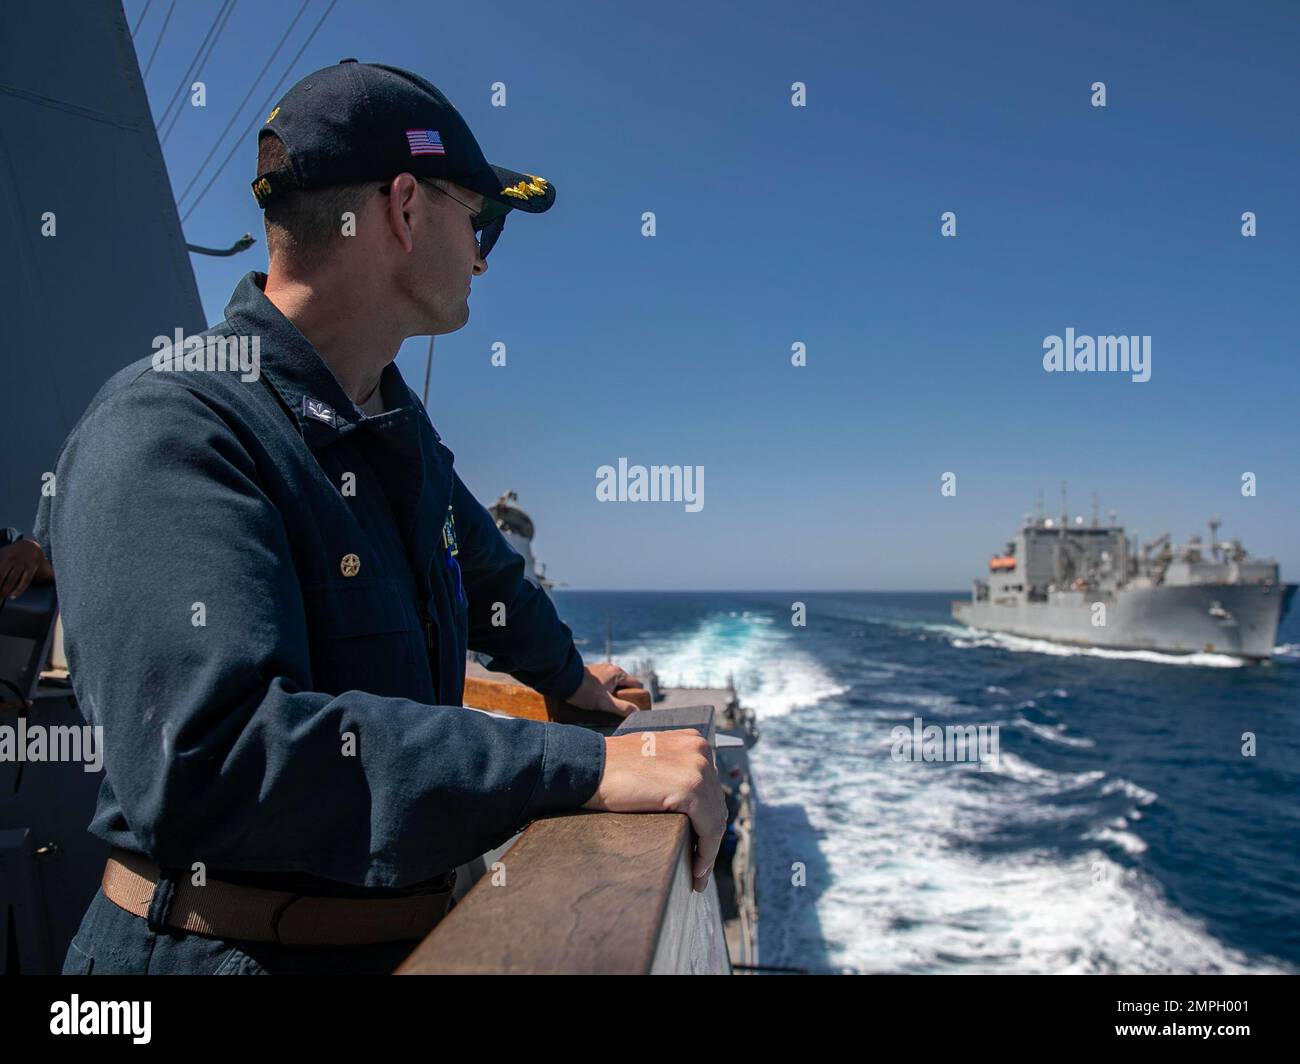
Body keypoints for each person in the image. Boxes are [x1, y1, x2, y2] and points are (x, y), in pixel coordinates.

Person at [36, 60, 725, 975]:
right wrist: (588, 767)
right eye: (479, 220)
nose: (482, 256)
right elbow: (212, 760)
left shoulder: (392, 433)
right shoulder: (171, 424)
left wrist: (572, 687)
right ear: (403, 208)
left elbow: (489, 582)